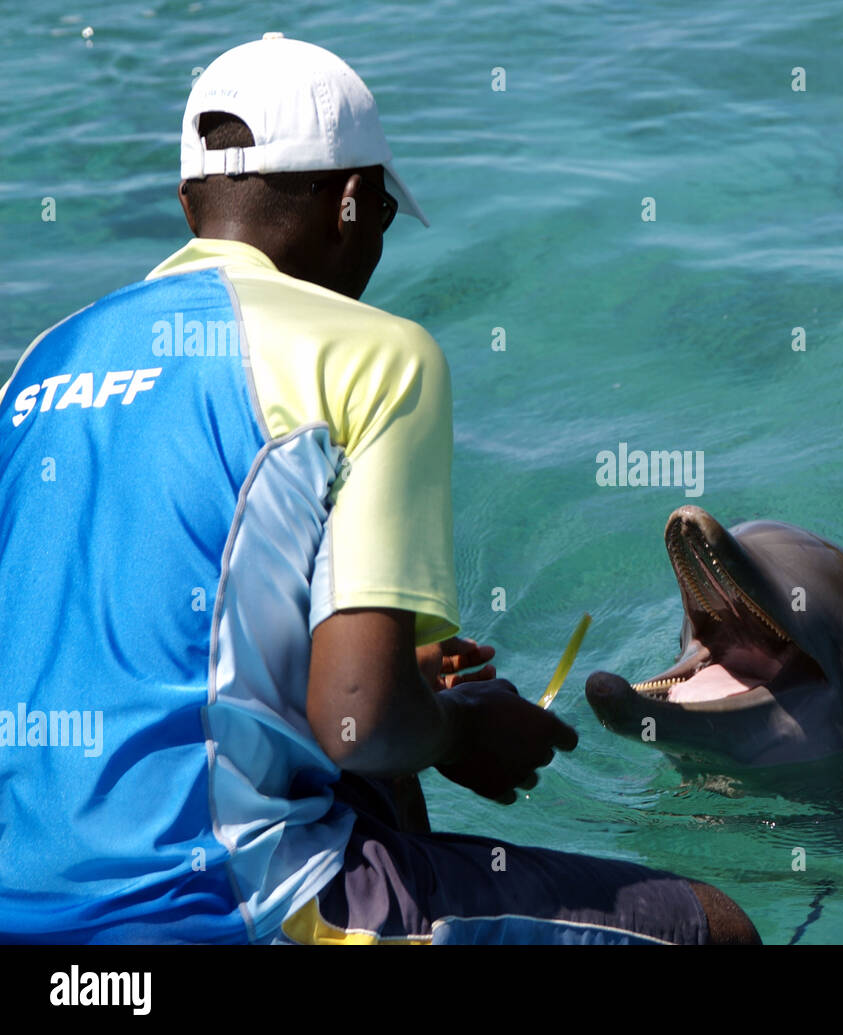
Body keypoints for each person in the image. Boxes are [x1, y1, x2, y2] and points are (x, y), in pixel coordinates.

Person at [0, 34, 759, 945]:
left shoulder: (44, 364)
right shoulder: (369, 350)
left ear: (189, 202)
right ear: (355, 199)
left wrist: (399, 680)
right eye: (387, 211)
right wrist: (463, 729)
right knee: (714, 928)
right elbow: (360, 720)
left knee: (378, 794)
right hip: (217, 905)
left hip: (25, 904)